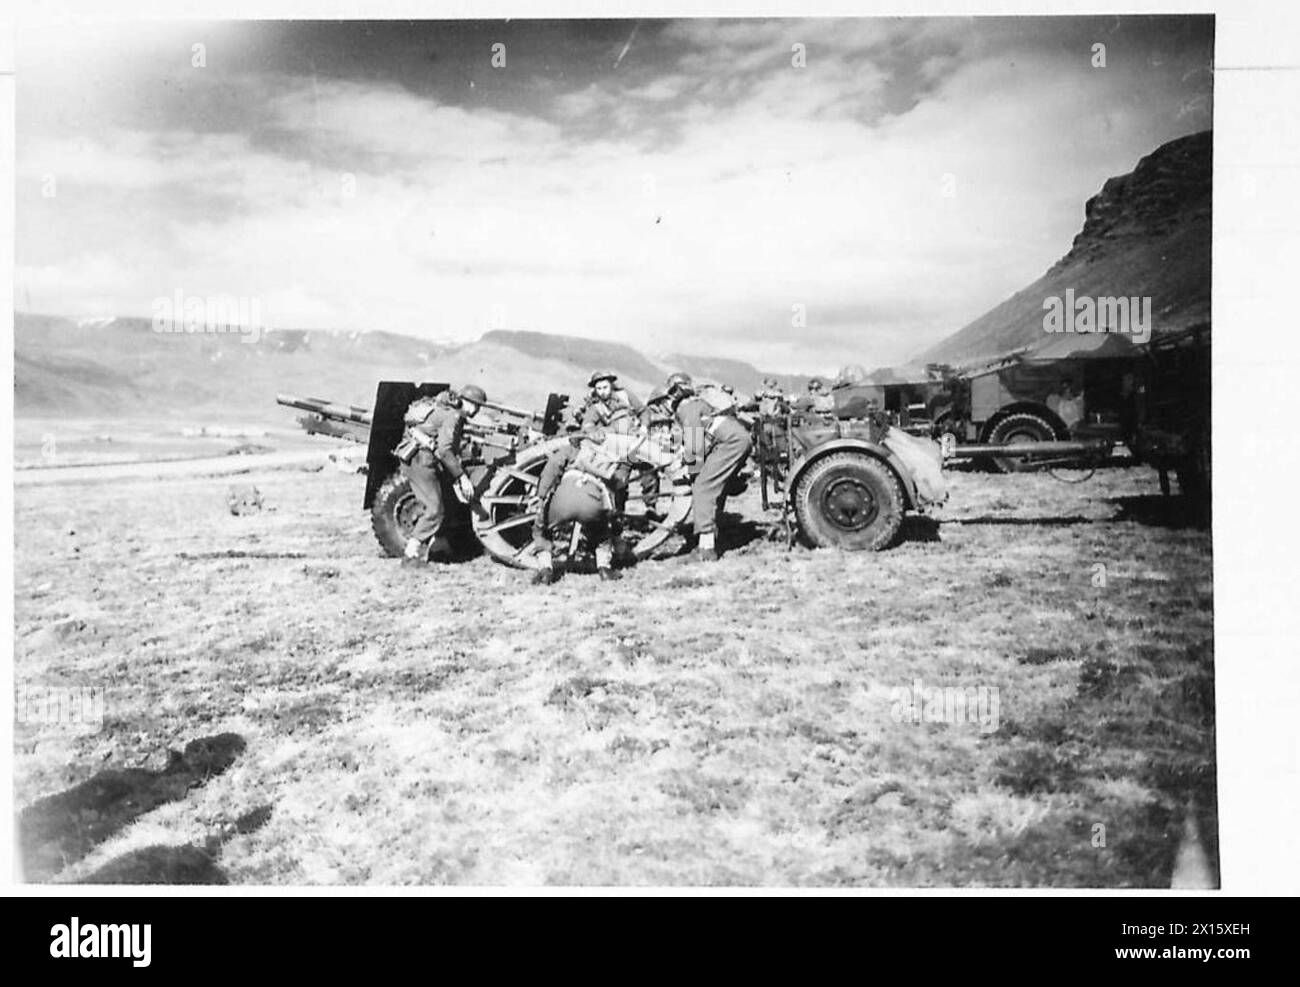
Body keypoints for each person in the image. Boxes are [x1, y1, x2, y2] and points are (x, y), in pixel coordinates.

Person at [394, 384, 485, 566]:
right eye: (474, 404)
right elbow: (444, 450)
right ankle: (411, 555)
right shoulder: (453, 416)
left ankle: (439, 548)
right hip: (421, 461)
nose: (476, 409)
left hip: (424, 459)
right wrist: (462, 477)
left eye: (478, 406)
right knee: (434, 509)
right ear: (464, 401)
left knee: (449, 501)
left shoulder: (448, 411)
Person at [665, 372, 752, 562]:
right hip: (735, 438)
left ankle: (705, 550)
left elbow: (695, 448)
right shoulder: (699, 403)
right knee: (713, 487)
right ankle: (714, 537)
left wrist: (689, 471)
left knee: (703, 488)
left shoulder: (687, 408)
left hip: (730, 442)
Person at [582, 371, 660, 519]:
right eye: (598, 389)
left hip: (637, 443)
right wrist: (594, 433)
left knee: (649, 472)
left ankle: (651, 507)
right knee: (618, 479)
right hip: (618, 449)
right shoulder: (596, 407)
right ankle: (619, 513)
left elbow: (643, 411)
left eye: (605, 387)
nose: (602, 392)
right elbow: (587, 424)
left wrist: (644, 427)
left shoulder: (626, 396)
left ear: (611, 385)